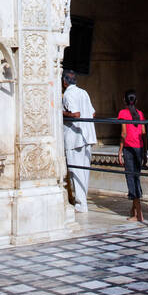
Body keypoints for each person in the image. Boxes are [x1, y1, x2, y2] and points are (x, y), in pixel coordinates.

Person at [61, 70, 96, 213]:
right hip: (87, 135)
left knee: (76, 170)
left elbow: (76, 114)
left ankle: (81, 204)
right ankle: (82, 202)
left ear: (64, 81)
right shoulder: (83, 92)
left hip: (75, 138)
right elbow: (92, 113)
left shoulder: (68, 94)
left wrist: (60, 112)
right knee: (84, 171)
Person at [116, 89, 146, 222]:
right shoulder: (140, 114)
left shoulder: (123, 113)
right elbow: (144, 132)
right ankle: (135, 209)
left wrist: (120, 150)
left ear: (124, 100)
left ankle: (138, 213)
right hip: (139, 148)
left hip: (129, 147)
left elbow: (123, 133)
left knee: (131, 177)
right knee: (136, 177)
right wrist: (145, 151)